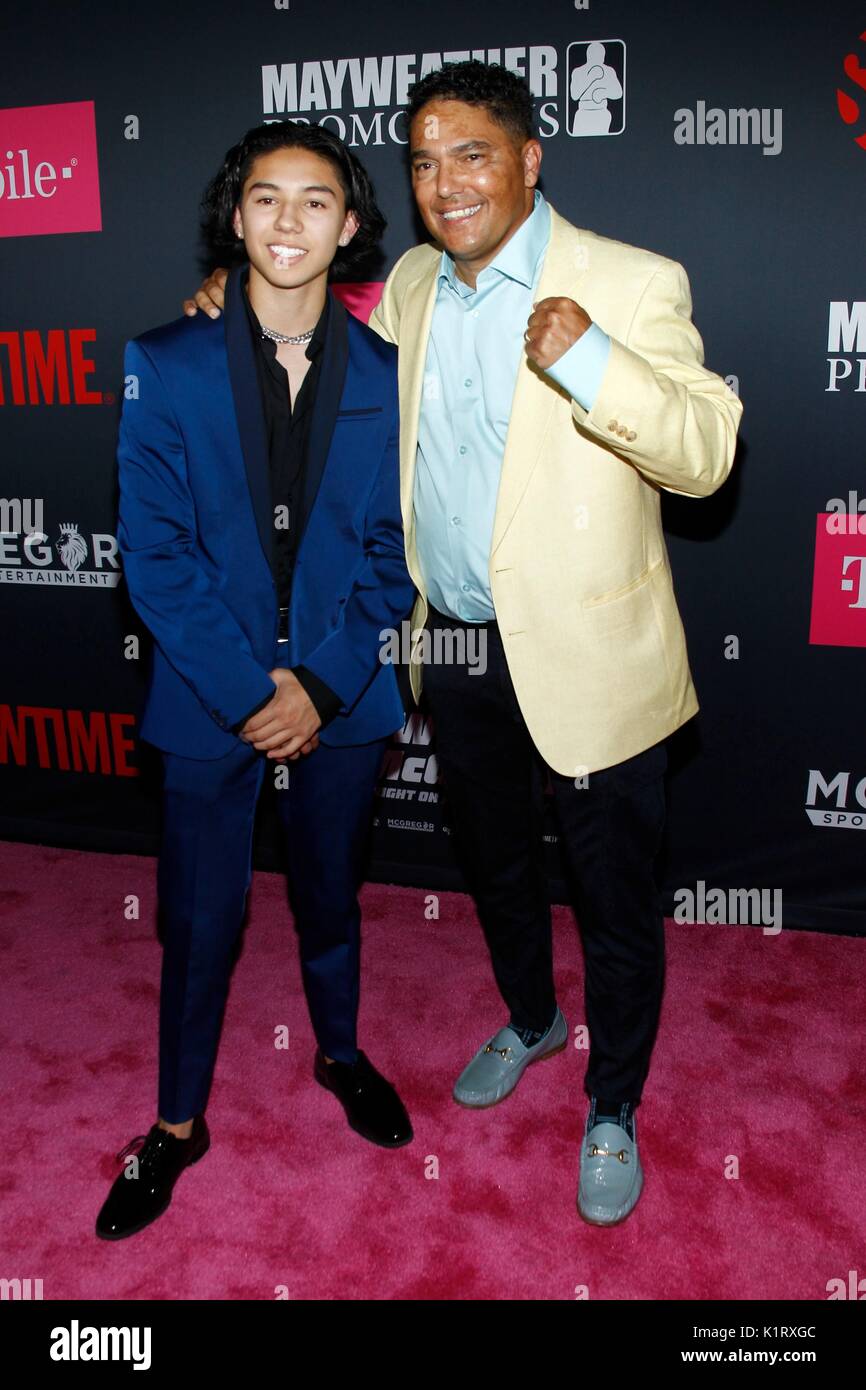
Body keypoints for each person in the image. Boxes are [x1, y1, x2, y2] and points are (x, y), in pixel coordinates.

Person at [184, 61, 743, 1226]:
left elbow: (704, 454)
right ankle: (534, 1019)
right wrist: (226, 311)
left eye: (471, 154)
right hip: (460, 650)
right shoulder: (410, 284)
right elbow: (326, 367)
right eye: (424, 162)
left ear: (529, 158)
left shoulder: (630, 282)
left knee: (611, 896)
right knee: (494, 866)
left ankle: (612, 1104)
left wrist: (590, 357)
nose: (445, 184)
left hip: (592, 662)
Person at [97, 121, 416, 1241]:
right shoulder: (163, 361)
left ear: (351, 224)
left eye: (315, 201)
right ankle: (177, 1125)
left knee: (330, 894)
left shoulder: (384, 372)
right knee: (198, 918)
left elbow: (391, 553)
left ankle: (338, 1053)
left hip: (340, 698)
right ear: (234, 219)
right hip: (204, 695)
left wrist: (318, 690)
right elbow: (156, 555)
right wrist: (249, 694)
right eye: (266, 200)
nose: (289, 222)